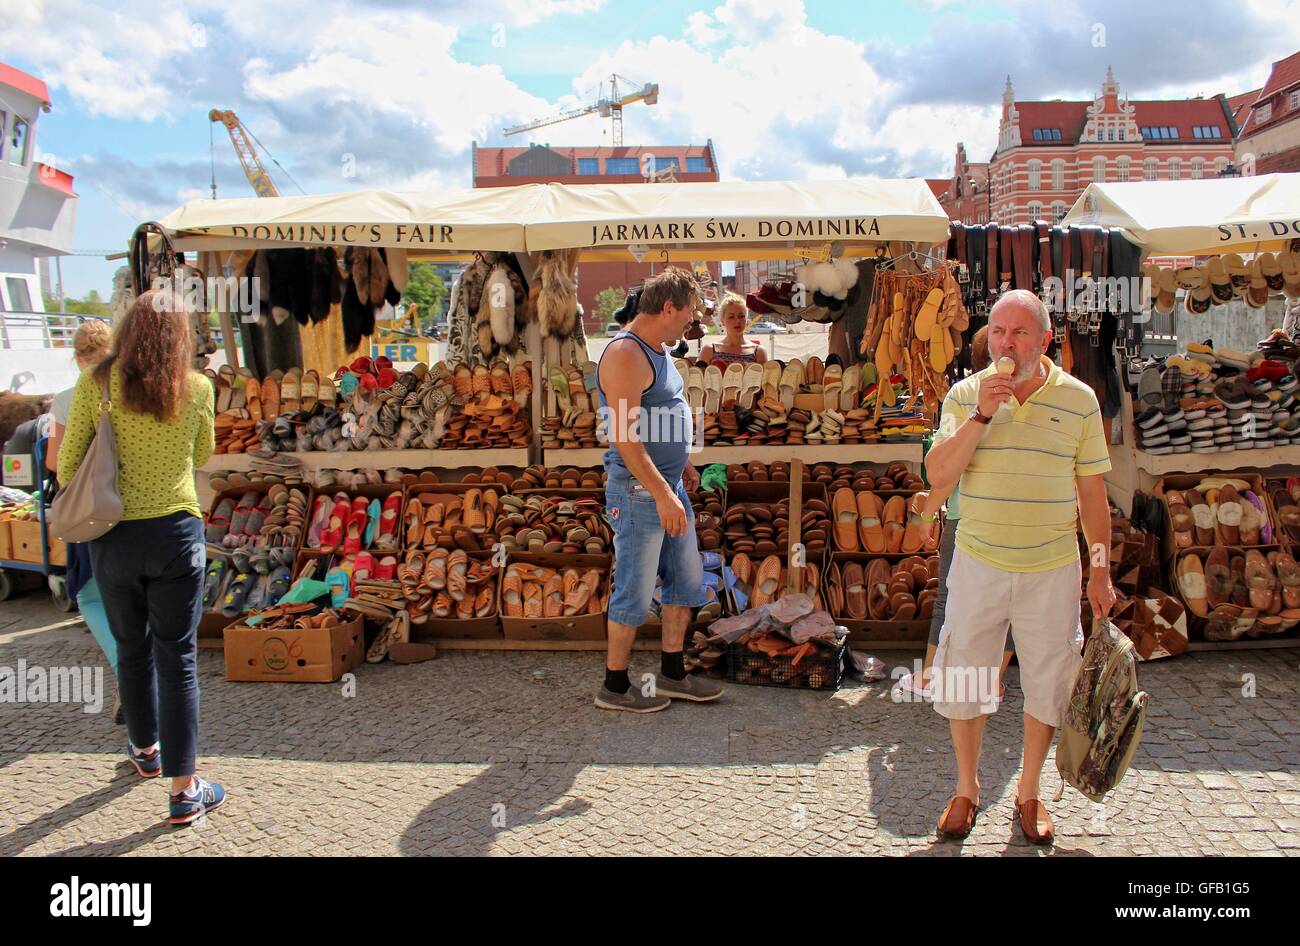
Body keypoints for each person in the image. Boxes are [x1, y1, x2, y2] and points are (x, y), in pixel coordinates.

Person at [923, 289, 1114, 846]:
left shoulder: (1079, 401)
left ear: (1045, 339)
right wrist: (983, 411)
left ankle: (1028, 793)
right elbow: (938, 477)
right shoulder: (964, 394)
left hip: (1052, 567)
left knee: (1048, 683)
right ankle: (966, 787)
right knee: (967, 676)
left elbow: (1093, 495)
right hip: (979, 560)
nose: (1007, 342)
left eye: (1021, 332)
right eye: (999, 332)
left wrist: (1099, 571)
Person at [59, 289, 224, 826]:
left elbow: (67, 467)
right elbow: (203, 455)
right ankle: (184, 789)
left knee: (132, 648)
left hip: (113, 535)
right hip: (175, 533)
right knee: (177, 660)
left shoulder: (97, 384)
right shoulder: (197, 387)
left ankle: (144, 749)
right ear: (181, 334)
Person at [595, 267, 722, 712]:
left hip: (666, 487)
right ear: (668, 308)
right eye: (687, 317)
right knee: (634, 586)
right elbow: (626, 439)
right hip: (638, 492)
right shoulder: (626, 354)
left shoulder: (658, 350)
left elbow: (660, 418)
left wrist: (681, 463)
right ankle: (613, 686)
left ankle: (672, 674)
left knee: (685, 581)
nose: (690, 326)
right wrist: (664, 493)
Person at [894, 325, 1014, 701]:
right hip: (1017, 515)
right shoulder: (1036, 392)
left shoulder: (964, 393)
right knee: (1009, 600)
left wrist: (927, 513)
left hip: (969, 516)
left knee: (950, 594)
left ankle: (929, 679)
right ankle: (991, 681)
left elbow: (948, 468)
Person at [45, 321, 121, 721]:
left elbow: (56, 463)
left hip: (90, 510)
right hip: (130, 504)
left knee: (91, 594)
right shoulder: (132, 390)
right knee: (134, 594)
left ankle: (127, 672)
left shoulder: (66, 398)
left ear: (77, 357)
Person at [698, 292, 767, 367]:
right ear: (722, 321)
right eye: (731, 317)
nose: (737, 321)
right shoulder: (709, 350)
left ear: (746, 319)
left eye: (741, 316)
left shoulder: (758, 352)